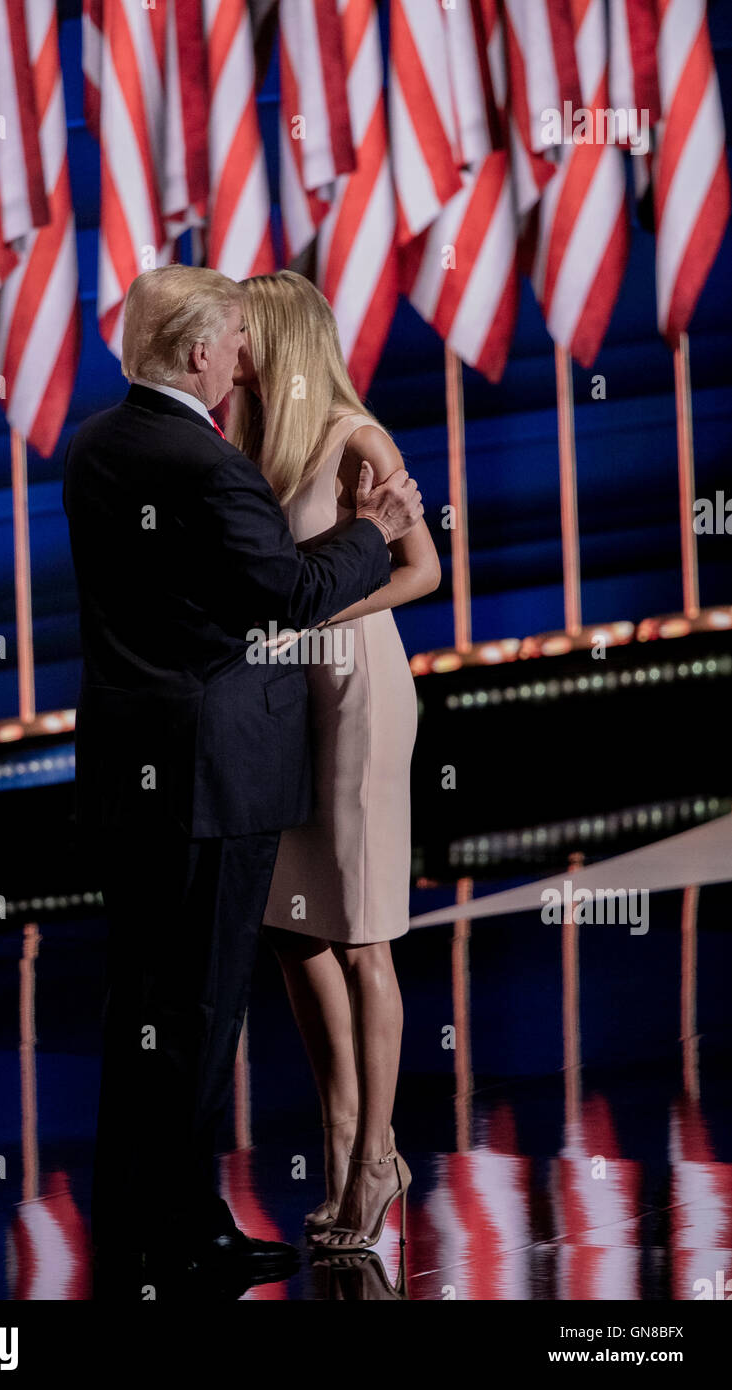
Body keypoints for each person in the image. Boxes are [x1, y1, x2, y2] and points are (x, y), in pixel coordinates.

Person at [62, 265, 425, 1292]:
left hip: (142, 766)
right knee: (199, 1010)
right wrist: (376, 522)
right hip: (214, 771)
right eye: (228, 339)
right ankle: (186, 1233)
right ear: (197, 353)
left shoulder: (95, 447)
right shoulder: (210, 462)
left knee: (141, 1005)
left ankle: (139, 1219)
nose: (238, 356)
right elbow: (287, 588)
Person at [229, 270, 441, 1252]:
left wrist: (317, 612)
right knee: (293, 928)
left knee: (360, 938)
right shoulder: (257, 435)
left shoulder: (359, 440)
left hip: (355, 693)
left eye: (249, 332)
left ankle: (373, 1165)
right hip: (285, 701)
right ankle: (346, 1135)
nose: (236, 348)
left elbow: (421, 569)